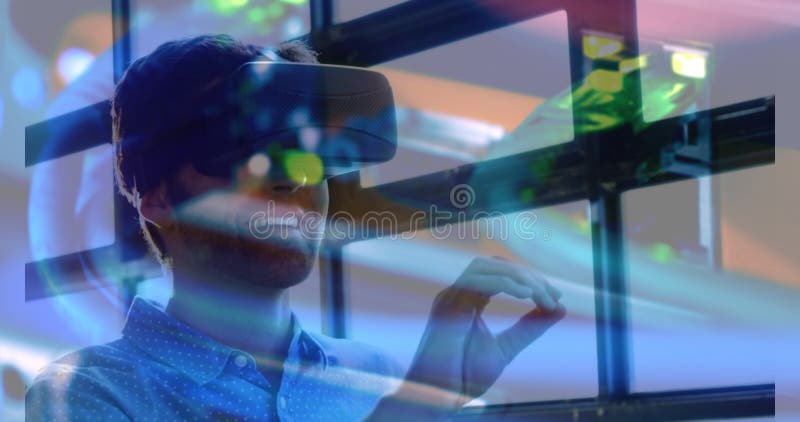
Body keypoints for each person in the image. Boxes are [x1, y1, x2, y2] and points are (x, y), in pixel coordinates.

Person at [26, 34, 565, 421]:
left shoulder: (374, 373)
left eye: (307, 156)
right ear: (158, 198)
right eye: (247, 156)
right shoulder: (90, 393)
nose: (293, 183)